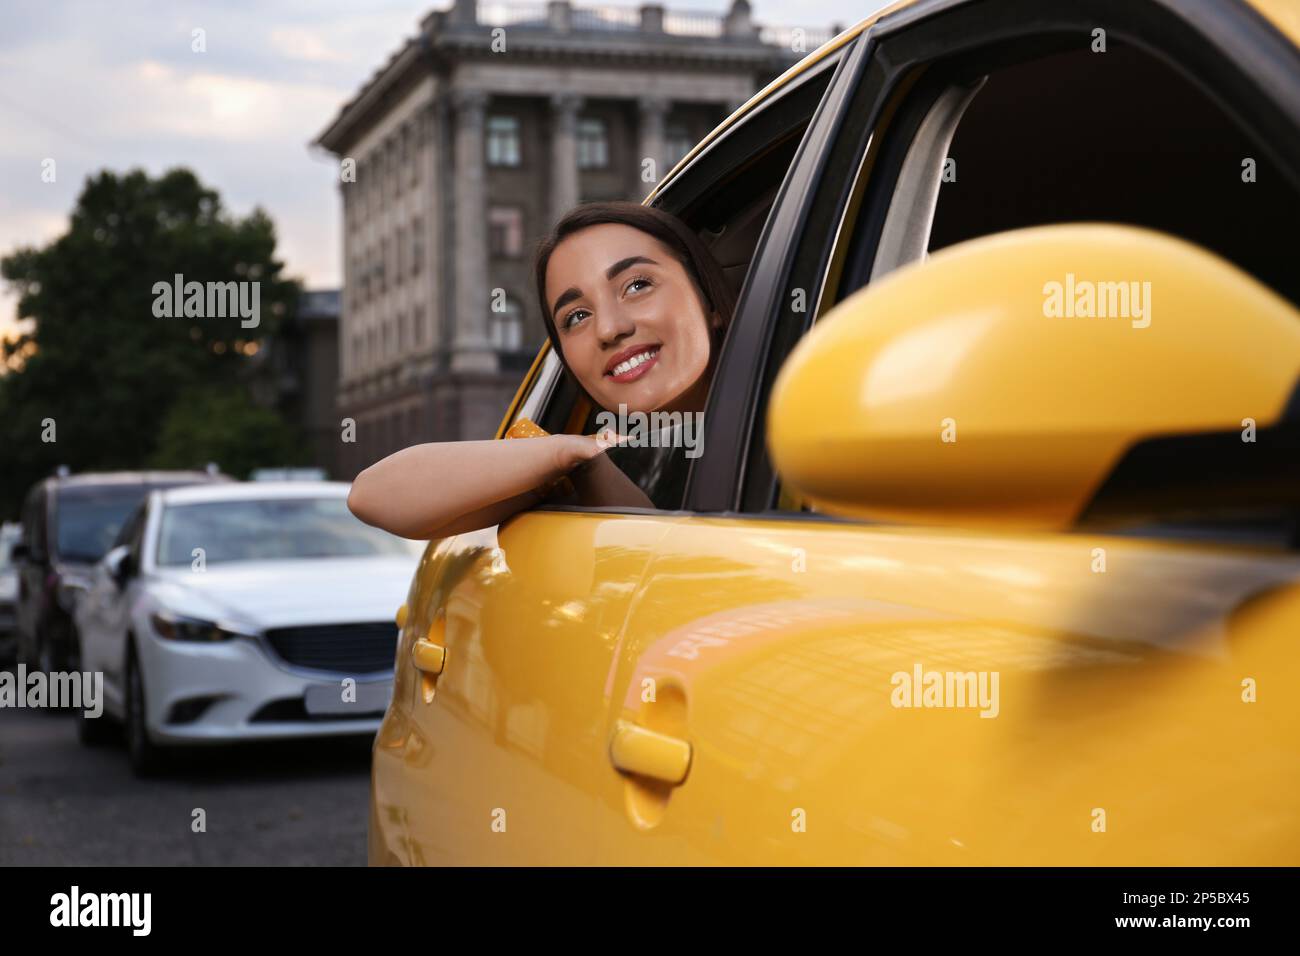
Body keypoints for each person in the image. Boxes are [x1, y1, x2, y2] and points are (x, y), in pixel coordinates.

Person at [347, 201, 737, 540]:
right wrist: (573, 452)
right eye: (577, 316)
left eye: (637, 286)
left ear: (707, 297)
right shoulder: (590, 466)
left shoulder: (789, 410)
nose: (609, 328)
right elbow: (372, 495)